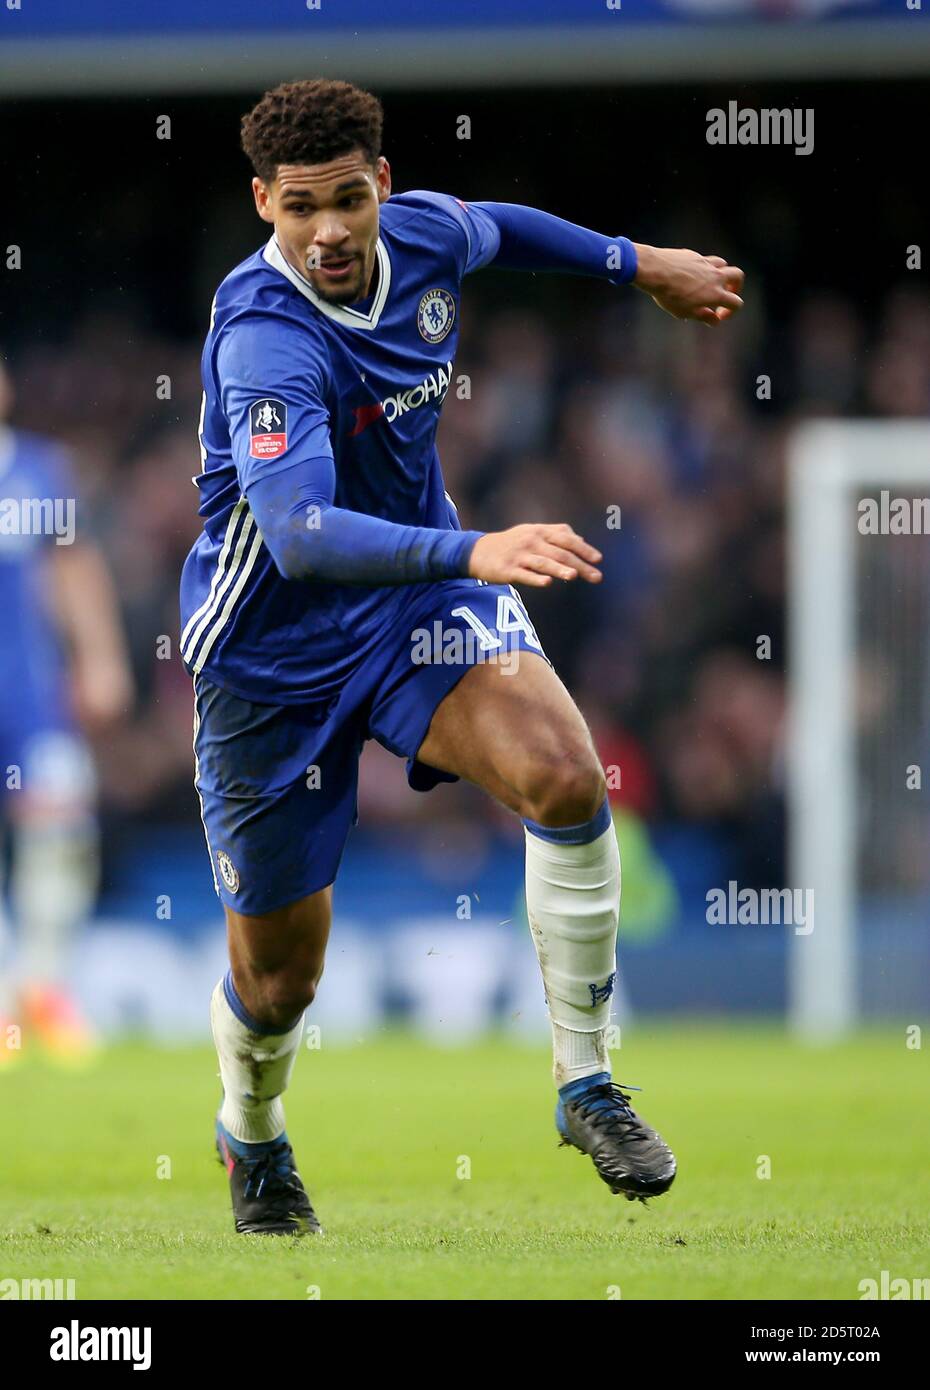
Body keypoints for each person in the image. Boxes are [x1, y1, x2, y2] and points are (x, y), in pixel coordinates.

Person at [180, 78, 744, 1235]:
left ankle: (585, 1080)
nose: (329, 231)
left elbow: (502, 226)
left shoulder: (424, 233)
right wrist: (478, 544)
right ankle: (254, 1129)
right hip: (269, 657)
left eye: (348, 200)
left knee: (566, 776)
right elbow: (298, 536)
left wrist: (643, 265)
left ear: (382, 186)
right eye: (300, 210)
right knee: (281, 979)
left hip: (415, 606)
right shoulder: (264, 340)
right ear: (263, 207)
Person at [0, 360, 133, 1066]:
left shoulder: (40, 469)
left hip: (30, 693)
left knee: (59, 831)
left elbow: (73, 567)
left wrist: (101, 658)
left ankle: (43, 988)